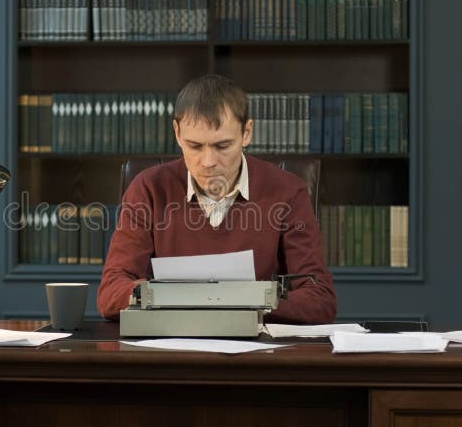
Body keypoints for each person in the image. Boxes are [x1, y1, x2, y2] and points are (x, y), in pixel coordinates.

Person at [97, 74, 336, 324]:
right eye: (195, 146)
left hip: (255, 352)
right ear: (177, 133)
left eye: (222, 146)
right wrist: (170, 296)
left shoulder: (288, 191)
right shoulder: (148, 188)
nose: (208, 162)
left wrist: (245, 302)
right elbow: (110, 293)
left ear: (246, 133)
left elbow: (320, 298)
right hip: (170, 348)